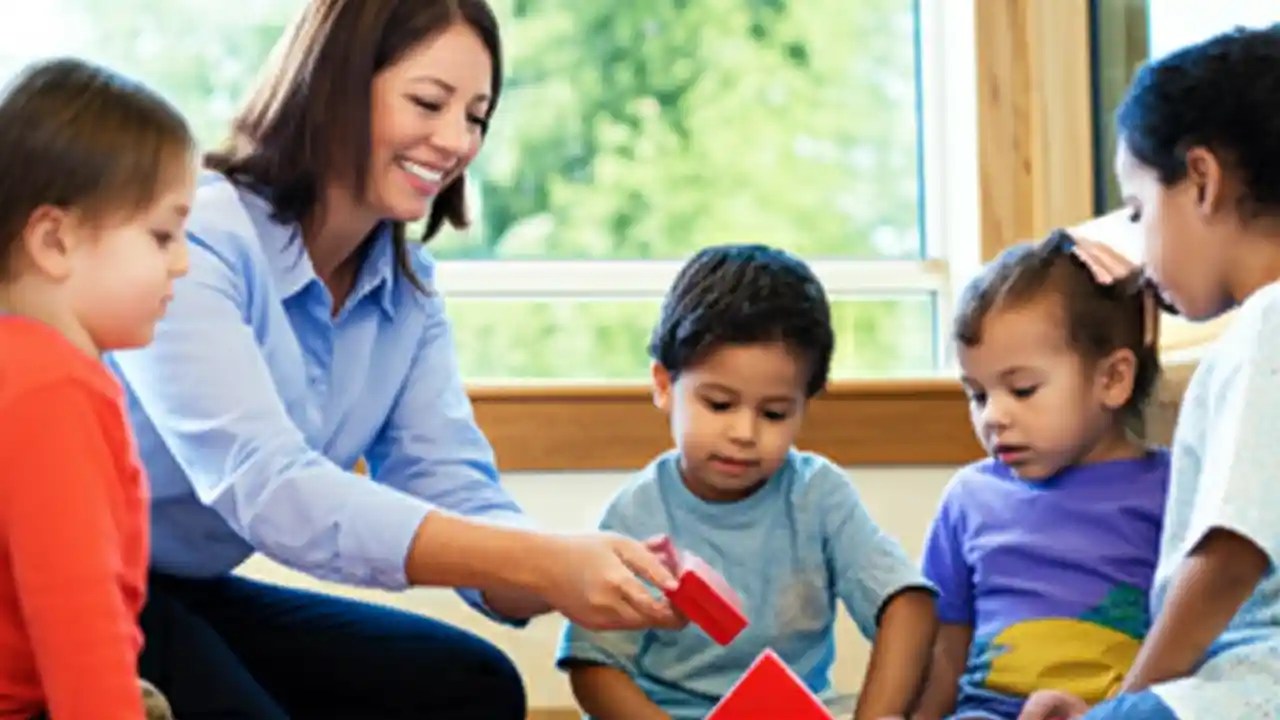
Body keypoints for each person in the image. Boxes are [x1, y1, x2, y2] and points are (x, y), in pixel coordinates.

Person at [104, 1, 681, 717]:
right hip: (74, 583)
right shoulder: (201, 239)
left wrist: (585, 565)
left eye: (476, 116)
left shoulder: (406, 292)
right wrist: (543, 561)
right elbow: (273, 490)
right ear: (336, 86)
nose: (456, 140)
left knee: (472, 686)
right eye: (429, 102)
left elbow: (453, 488)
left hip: (184, 587)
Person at [555, 243, 939, 720]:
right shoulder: (635, 512)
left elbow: (906, 604)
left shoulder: (818, 494)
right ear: (663, 385)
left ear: (805, 404)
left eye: (775, 413)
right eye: (718, 404)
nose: (744, 434)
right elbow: (594, 665)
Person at [1018, 23, 1280, 720]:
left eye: (1136, 210)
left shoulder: (1268, 324)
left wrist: (1127, 705)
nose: (1133, 240)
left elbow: (1230, 554)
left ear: (1201, 178)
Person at [0, 57, 193, 720]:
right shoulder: (55, 390)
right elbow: (79, 626)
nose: (183, 261)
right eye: (161, 235)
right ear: (54, 240)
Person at [910, 232, 1170, 720]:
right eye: (978, 395)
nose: (993, 418)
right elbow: (946, 649)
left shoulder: (1172, 489)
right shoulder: (969, 497)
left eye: (1022, 389)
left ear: (1112, 379)